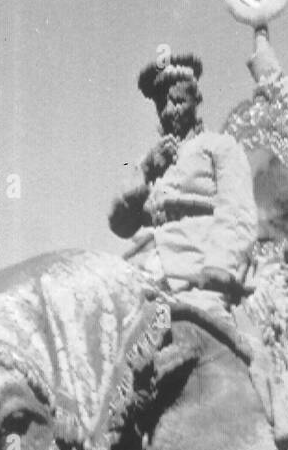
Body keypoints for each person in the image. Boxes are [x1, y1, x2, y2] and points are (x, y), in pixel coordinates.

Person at [109, 48, 257, 311]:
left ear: (195, 100)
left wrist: (218, 269)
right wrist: (146, 170)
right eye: (161, 103)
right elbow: (119, 225)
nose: (168, 111)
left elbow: (236, 213)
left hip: (197, 272)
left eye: (177, 101)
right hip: (143, 271)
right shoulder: (149, 161)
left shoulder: (220, 146)